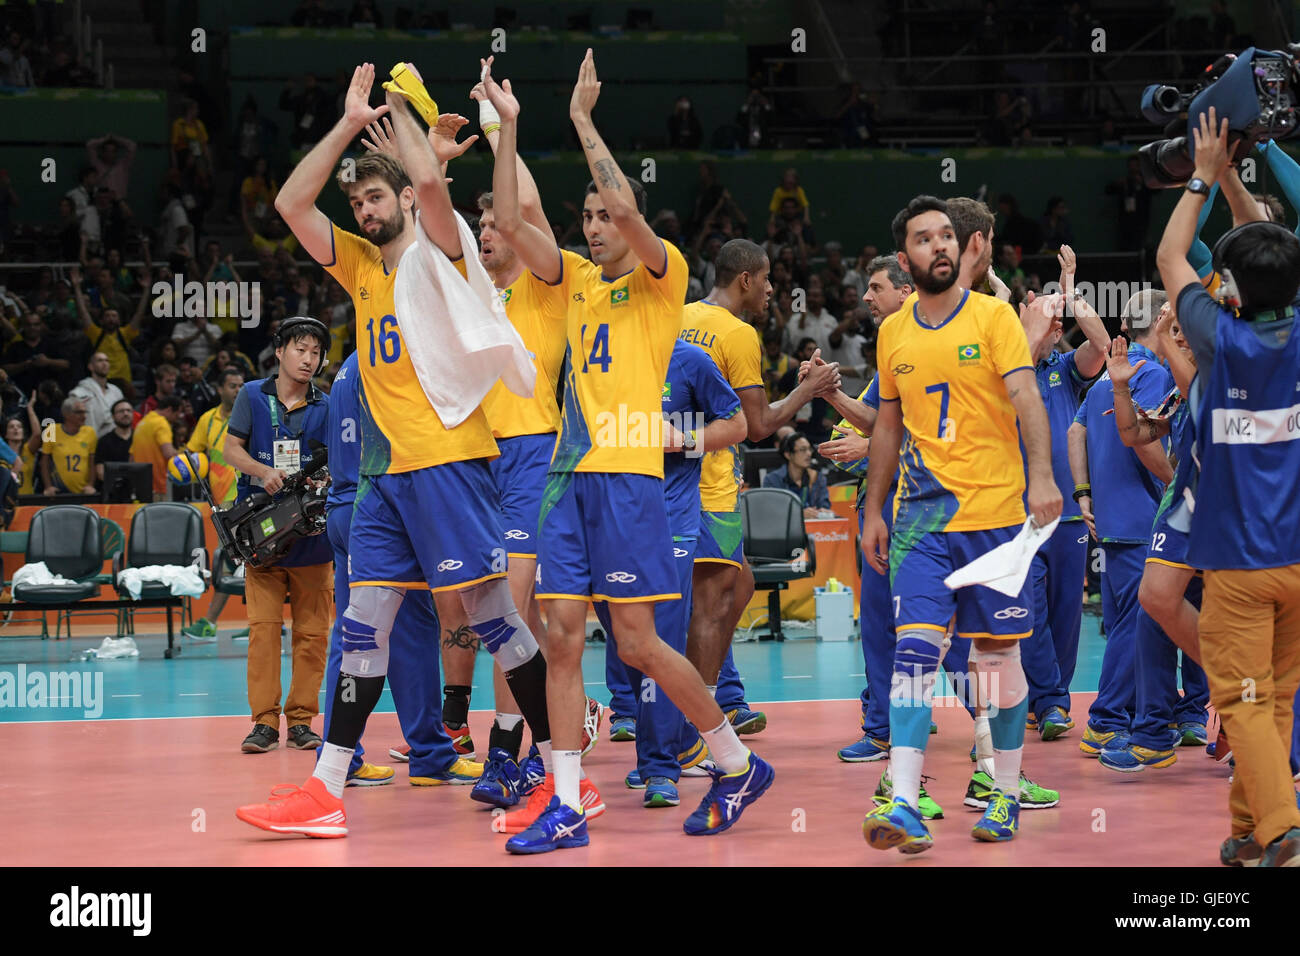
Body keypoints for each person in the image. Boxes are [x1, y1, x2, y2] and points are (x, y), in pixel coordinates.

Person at [237, 62, 555, 838]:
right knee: (363, 625)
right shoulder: (360, 266)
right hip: (385, 478)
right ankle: (325, 790)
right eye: (358, 200)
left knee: (497, 623)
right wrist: (349, 125)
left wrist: (411, 127)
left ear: (406, 199)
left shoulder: (438, 255)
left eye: (376, 196)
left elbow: (438, 196)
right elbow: (289, 203)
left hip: (449, 464)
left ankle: (556, 770)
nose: (365, 208)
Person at [482, 52, 774, 851]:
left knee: (641, 644)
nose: (593, 224)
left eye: (604, 216)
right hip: (569, 481)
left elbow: (626, 206)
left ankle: (734, 759)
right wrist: (506, 129)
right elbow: (511, 225)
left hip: (631, 482)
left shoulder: (662, 277)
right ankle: (569, 804)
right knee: (561, 636)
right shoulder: (573, 282)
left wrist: (580, 120)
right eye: (586, 218)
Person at [853, 195, 1061, 852]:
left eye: (947, 236)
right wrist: (872, 510)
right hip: (920, 521)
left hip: (996, 517)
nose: (940, 246)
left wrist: (1044, 477)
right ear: (904, 256)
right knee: (914, 656)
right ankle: (907, 799)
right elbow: (888, 424)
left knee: (997, 666)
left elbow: (1027, 395)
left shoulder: (995, 317)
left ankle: (1003, 790)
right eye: (924, 239)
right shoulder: (893, 334)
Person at [1155, 107, 1300, 865]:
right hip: (1298, 564)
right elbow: (1278, 254)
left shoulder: (1221, 339)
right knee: (1269, 701)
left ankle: (1283, 830)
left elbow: (1172, 255)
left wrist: (1206, 175)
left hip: (1239, 571)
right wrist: (1242, 175)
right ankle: (1249, 831)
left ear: (1231, 292)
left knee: (1240, 704)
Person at [678, 239, 840, 747]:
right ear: (745, 279)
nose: (773, 289)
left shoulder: (678, 316)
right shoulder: (738, 334)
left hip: (668, 480)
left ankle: (714, 699)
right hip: (709, 487)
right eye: (767, 279)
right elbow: (758, 425)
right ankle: (700, 719)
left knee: (738, 587)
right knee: (708, 603)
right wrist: (808, 391)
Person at [315, 350, 482, 787]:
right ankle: (431, 754)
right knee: (413, 634)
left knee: (352, 638)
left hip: (342, 507)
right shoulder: (400, 355)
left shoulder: (354, 361)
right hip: (382, 508)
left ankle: (340, 757)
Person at [602, 338, 749, 806]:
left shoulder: (688, 359)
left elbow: (739, 423)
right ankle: (682, 741)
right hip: (610, 515)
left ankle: (658, 766)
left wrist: (684, 438)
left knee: (657, 640)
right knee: (626, 642)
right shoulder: (598, 353)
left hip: (671, 521)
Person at [1068, 289, 1173, 759]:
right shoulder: (1151, 373)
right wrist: (1178, 482)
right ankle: (1107, 719)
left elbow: (1076, 432)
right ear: (1162, 323)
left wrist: (1084, 494)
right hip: (1142, 521)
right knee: (1137, 625)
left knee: (1123, 623)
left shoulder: (1099, 384)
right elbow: (1144, 441)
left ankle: (1133, 714)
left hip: (1109, 520)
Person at [221, 318, 333, 755]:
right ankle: (264, 723)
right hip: (260, 535)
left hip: (311, 535)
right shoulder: (252, 395)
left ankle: (302, 721)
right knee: (263, 631)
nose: (309, 360)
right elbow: (231, 449)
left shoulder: (326, 405)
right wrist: (263, 471)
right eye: (301, 350)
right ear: (280, 352)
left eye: (316, 353)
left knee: (312, 633)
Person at [1019, 244, 1110, 740]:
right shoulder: (1006, 372)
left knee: (1065, 615)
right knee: (1028, 611)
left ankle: (1051, 700)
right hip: (1020, 515)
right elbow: (1021, 356)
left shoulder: (1065, 370)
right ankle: (1051, 702)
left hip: (1070, 517)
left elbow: (1100, 347)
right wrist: (1033, 330)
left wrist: (1070, 296)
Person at [179, 367, 246, 640]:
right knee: (238, 564)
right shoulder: (208, 420)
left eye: (241, 385)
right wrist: (183, 465)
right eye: (232, 385)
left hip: (244, 501)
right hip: (220, 504)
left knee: (238, 562)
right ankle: (267, 624)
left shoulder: (250, 415)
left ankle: (210, 622)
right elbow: (191, 453)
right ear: (220, 389)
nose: (238, 390)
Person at [762, 431, 830, 516]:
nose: (809, 454)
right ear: (788, 455)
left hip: (814, 527)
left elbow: (824, 506)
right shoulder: (772, 480)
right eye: (803, 450)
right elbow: (771, 512)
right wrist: (799, 514)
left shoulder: (817, 477)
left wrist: (823, 512)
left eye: (809, 449)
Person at [129, 394, 184, 497]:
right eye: (177, 414)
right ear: (169, 409)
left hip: (140, 485)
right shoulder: (161, 423)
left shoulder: (142, 423)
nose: (177, 418)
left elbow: (131, 458)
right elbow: (168, 453)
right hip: (158, 485)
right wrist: (183, 455)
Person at [40, 397, 96, 496]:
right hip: (58, 491)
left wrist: (90, 485)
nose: (84, 416)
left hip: (83, 492)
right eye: (79, 412)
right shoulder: (51, 430)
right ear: (66, 414)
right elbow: (45, 461)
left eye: (85, 412)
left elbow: (92, 462)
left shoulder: (90, 432)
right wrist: (48, 486)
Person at [69, 352, 124, 438]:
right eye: (100, 360)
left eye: (107, 361)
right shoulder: (79, 393)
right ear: (90, 366)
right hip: (90, 441)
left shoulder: (116, 391)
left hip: (114, 441)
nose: (104, 363)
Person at [93, 399, 135, 483]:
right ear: (113, 416)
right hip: (113, 489)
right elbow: (100, 472)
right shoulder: (104, 441)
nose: (125, 414)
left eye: (128, 411)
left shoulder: (139, 438)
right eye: (121, 411)